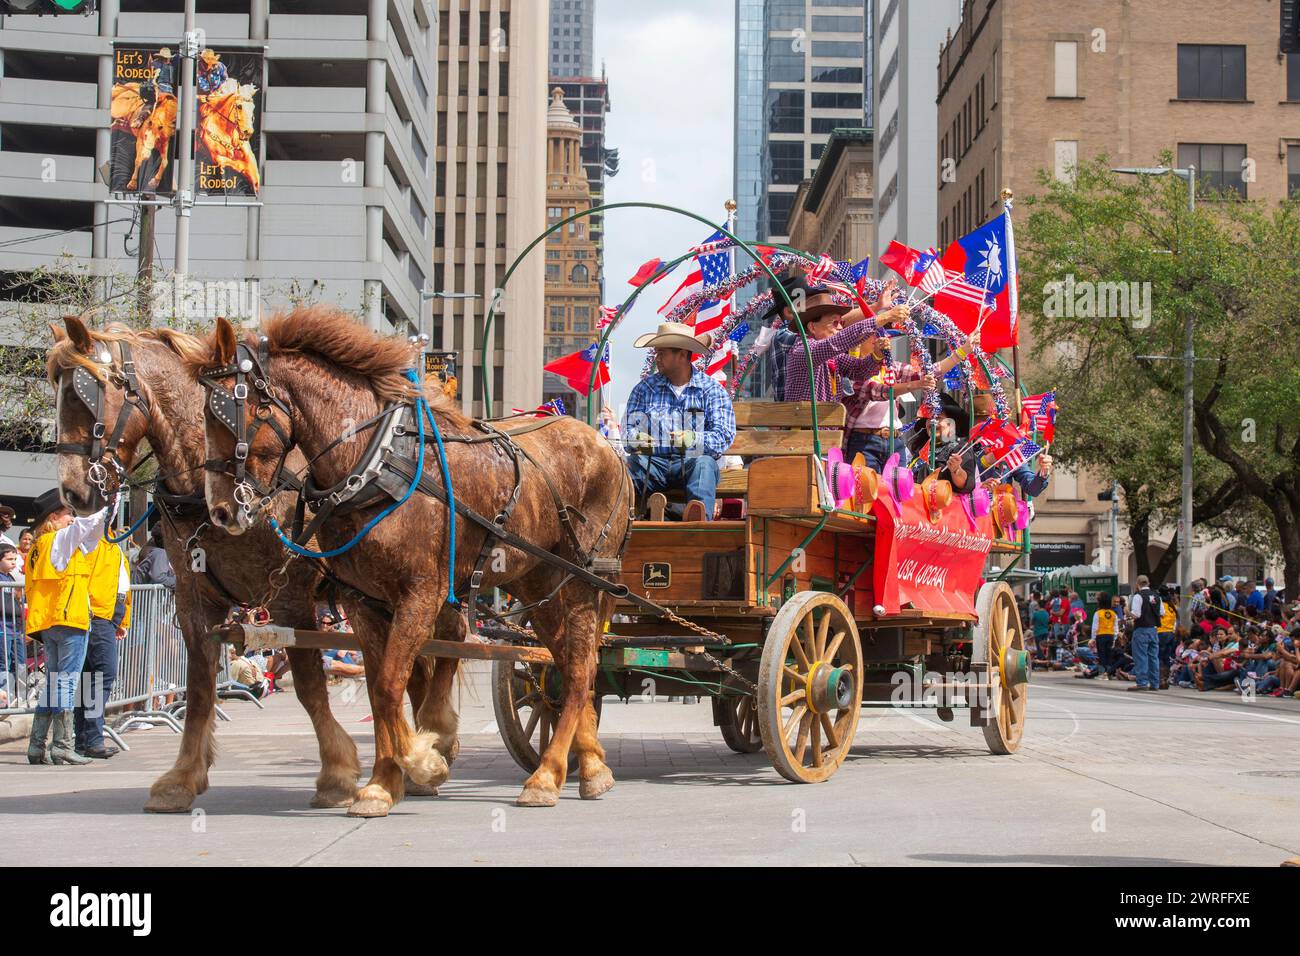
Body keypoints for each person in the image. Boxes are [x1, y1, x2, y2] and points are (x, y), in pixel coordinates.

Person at [23, 489, 110, 766]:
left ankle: (37, 745)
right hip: (68, 618)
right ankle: (62, 745)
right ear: (54, 517)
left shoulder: (41, 544)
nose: (73, 518)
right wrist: (101, 501)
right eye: (68, 514)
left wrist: (106, 506)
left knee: (55, 683)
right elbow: (86, 526)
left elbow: (91, 534)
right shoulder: (58, 540)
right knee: (66, 683)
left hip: (50, 620)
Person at [624, 322, 737, 521]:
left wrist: (694, 439)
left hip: (692, 464)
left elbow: (724, 435)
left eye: (662, 353)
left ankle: (698, 519)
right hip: (653, 464)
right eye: (657, 352)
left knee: (704, 464)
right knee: (630, 466)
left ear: (683, 355)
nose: (656, 358)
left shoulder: (711, 390)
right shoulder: (644, 389)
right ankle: (619, 521)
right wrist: (636, 439)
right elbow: (627, 431)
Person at [842, 331, 980, 471]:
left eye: (881, 334)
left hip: (894, 440)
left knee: (898, 490)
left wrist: (963, 351)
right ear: (857, 342)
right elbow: (878, 391)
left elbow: (930, 371)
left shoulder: (891, 367)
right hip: (864, 440)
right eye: (872, 334)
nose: (879, 338)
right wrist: (917, 385)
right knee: (867, 489)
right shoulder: (851, 369)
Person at [780, 280, 908, 405]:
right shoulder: (802, 349)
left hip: (827, 425)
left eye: (841, 323)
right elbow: (838, 341)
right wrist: (884, 317)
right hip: (805, 425)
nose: (840, 327)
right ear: (812, 327)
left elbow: (859, 370)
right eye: (835, 322)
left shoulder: (832, 356)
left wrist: (877, 355)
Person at [73, 520, 132, 760]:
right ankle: (91, 738)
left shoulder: (112, 545)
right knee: (100, 675)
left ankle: (85, 737)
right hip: (96, 615)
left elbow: (123, 586)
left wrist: (122, 620)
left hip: (106, 616)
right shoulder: (92, 542)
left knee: (90, 678)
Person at [1127, 575, 1164, 691]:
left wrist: (1127, 612)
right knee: (1153, 657)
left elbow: (1136, 614)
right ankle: (1155, 683)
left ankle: (1142, 682)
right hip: (1153, 630)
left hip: (1141, 629)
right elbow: (1162, 613)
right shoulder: (1157, 596)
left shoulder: (1138, 596)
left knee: (1141, 657)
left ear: (1137, 584)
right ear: (1148, 583)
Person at [0, 543, 25, 708]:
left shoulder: (11, 578)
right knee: (4, 662)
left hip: (15, 629)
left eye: (15, 559)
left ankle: (20, 696)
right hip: (2, 629)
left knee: (20, 661)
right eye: (10, 559)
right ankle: (3, 698)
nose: (14, 563)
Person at [131, 524, 175, 588]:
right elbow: (158, 577)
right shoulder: (160, 553)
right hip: (143, 596)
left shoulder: (156, 552)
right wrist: (179, 582)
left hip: (143, 594)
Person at [1092, 593, 1119, 681]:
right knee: (1109, 655)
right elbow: (1116, 627)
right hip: (1110, 635)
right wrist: (1114, 638)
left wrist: (1093, 638)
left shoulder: (1098, 613)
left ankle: (1102, 674)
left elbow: (1095, 627)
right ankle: (1109, 673)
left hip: (1101, 636)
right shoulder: (1113, 613)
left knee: (1101, 655)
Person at [1157, 589, 1178, 689]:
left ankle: (1161, 680)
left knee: (1159, 657)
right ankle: (1166, 679)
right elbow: (1175, 623)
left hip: (1161, 633)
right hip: (1171, 634)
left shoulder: (1160, 605)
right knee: (1167, 658)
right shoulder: (1172, 607)